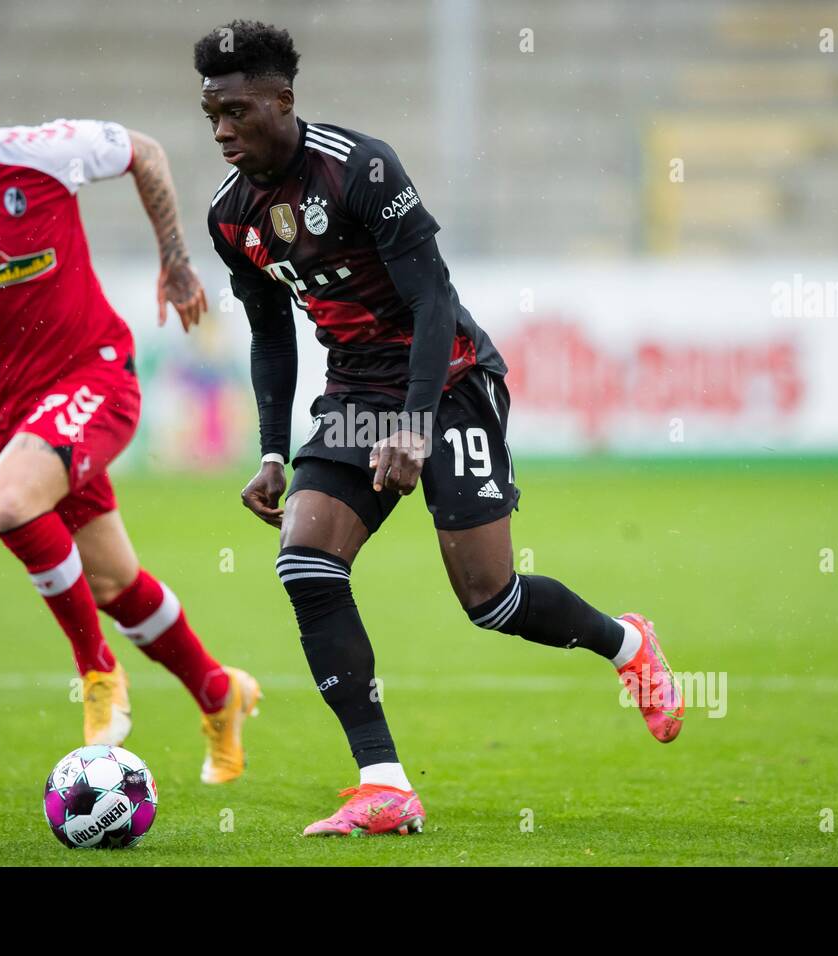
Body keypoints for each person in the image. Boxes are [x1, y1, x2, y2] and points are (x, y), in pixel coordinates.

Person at [198, 21, 684, 835]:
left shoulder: (360, 168)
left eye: (237, 111)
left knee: (488, 601)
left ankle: (626, 644)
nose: (221, 131)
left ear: (283, 100)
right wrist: (273, 451)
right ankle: (383, 783)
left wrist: (416, 425)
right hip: (354, 392)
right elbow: (271, 335)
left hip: (449, 382)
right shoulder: (229, 217)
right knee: (307, 563)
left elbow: (432, 300)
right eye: (211, 112)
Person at [0, 50, 258, 784]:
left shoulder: (46, 153)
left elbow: (145, 153)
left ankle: (96, 670)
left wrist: (173, 260)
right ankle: (218, 692)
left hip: (94, 375)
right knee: (113, 583)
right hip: (12, 410)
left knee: (9, 502)